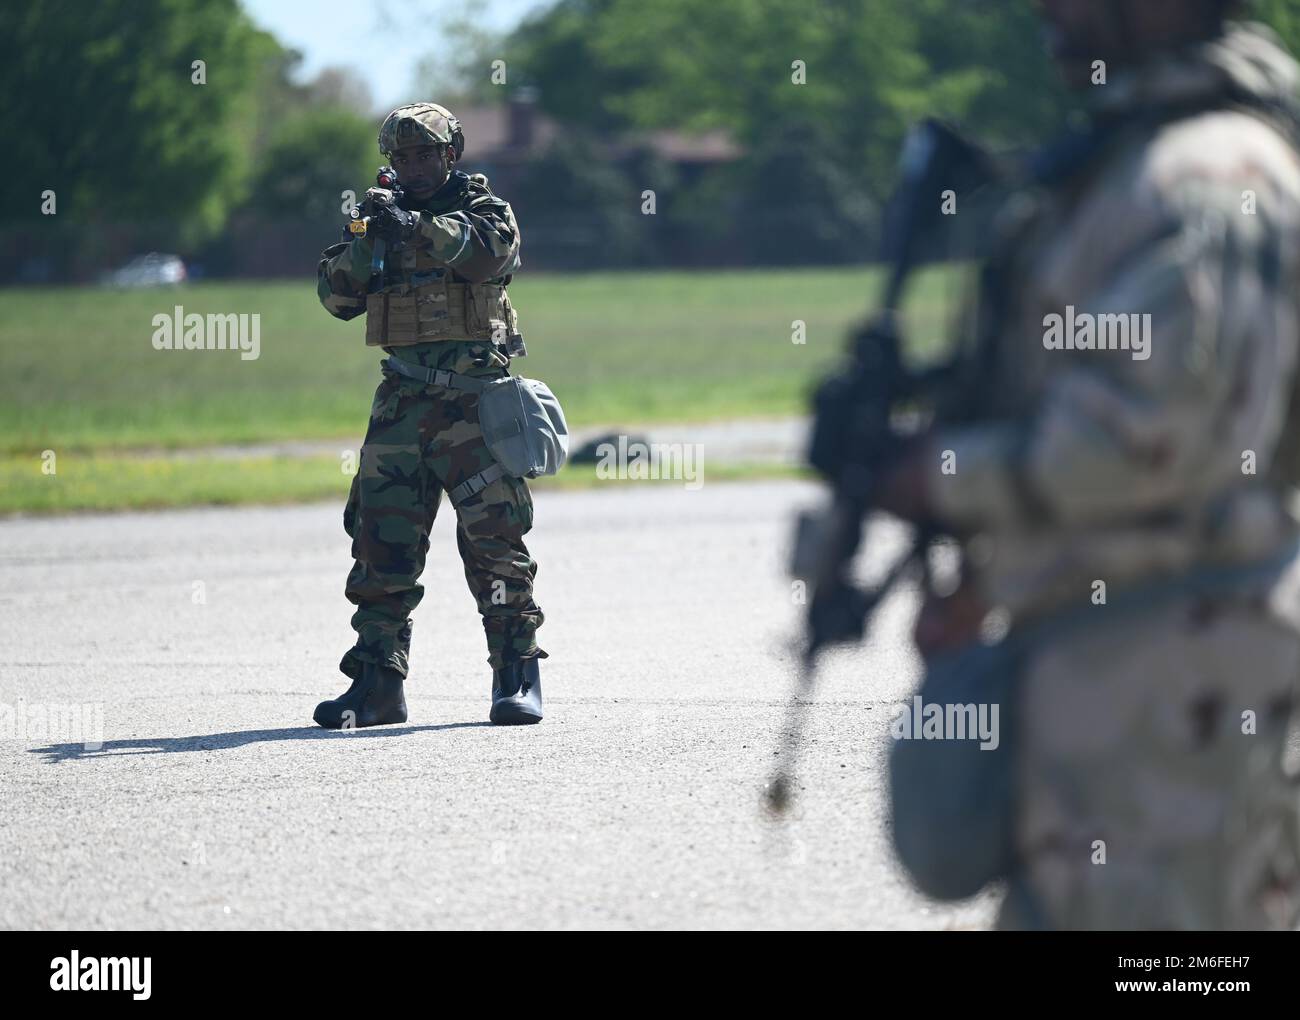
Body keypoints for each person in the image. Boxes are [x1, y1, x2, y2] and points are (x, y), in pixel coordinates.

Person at [882, 1, 1300, 928]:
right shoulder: (1128, 166)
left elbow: (1142, 444)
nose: (1045, 8)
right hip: (1115, 701)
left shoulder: (1212, 173)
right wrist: (996, 572)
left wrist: (935, 475)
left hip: (1182, 721)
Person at [314, 102, 546, 728]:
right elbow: (336, 297)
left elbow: (486, 257)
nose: (414, 165)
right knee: (380, 543)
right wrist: (371, 239)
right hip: (402, 401)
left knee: (495, 543)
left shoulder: (484, 210)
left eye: (426, 154)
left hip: (476, 402)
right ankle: (377, 684)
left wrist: (414, 225)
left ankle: (516, 675)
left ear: (451, 154)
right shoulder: (376, 217)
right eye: (403, 156)